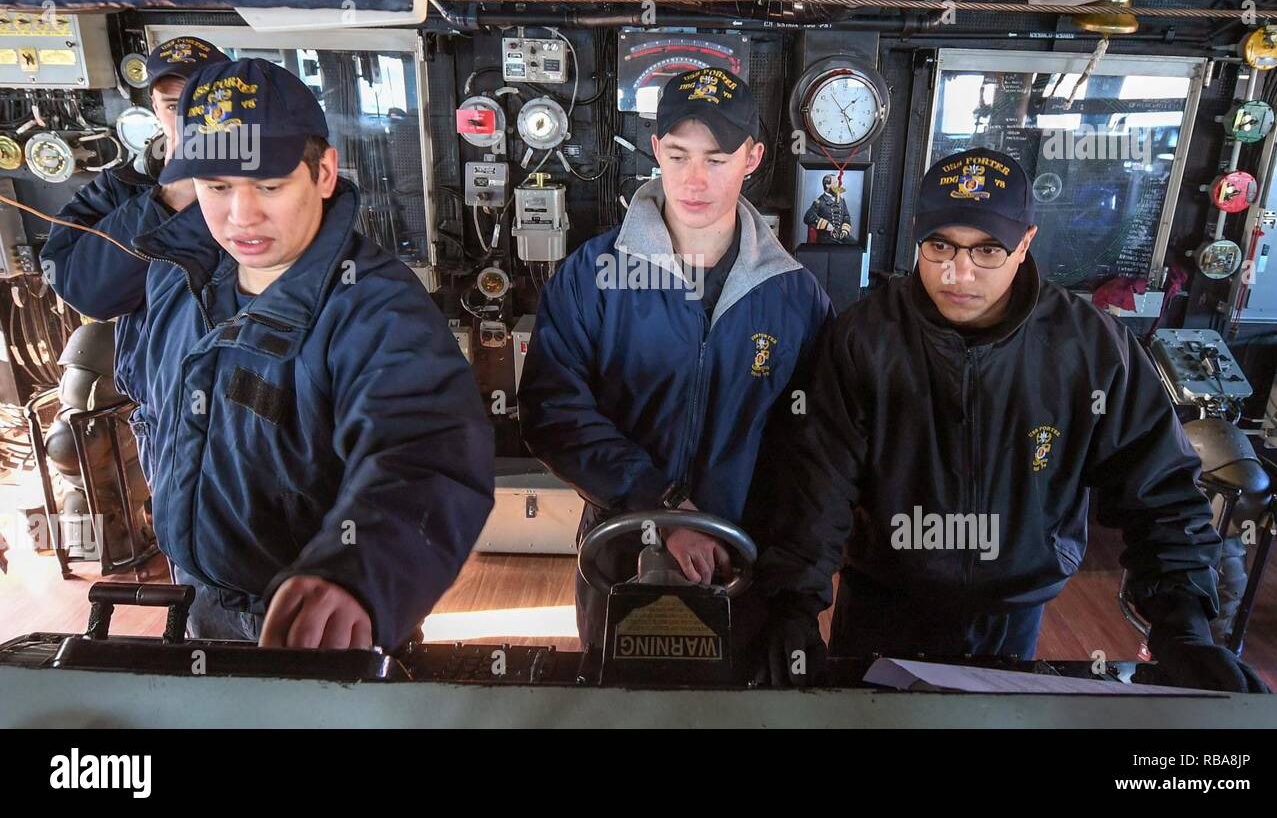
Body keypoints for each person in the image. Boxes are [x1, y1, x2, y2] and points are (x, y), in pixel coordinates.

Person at [750, 147, 1260, 692]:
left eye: (987, 249)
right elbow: (813, 485)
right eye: (939, 245)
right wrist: (792, 606)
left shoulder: (1089, 348)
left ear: (1025, 243)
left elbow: (1158, 489)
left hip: (1014, 615)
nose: (958, 271)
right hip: (880, 605)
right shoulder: (863, 340)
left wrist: (1183, 627)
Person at [48, 57, 494, 649]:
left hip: (325, 625)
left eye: (269, 185)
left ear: (325, 173)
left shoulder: (375, 308)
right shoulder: (172, 273)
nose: (241, 216)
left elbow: (423, 455)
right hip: (198, 600)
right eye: (217, 187)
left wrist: (356, 575)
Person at [518, 67, 832, 652]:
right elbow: (552, 410)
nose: (694, 179)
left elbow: (817, 450)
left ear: (753, 157)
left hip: (745, 559)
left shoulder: (794, 297)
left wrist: (798, 590)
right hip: (617, 548)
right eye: (680, 154)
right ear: (656, 148)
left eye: (717, 159)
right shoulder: (594, 276)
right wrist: (664, 505)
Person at [43, 36, 231, 400]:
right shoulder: (121, 189)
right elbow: (89, 294)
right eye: (174, 105)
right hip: (164, 403)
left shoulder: (269, 182)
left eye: (202, 104)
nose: (187, 119)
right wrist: (170, 197)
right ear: (155, 110)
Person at [803, 173, 853, 243]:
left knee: (855, 245)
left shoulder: (841, 200)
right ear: (827, 185)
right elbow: (808, 216)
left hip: (841, 236)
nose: (838, 186)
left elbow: (846, 216)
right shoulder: (819, 201)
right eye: (835, 183)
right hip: (826, 237)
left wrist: (844, 231)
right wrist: (827, 225)